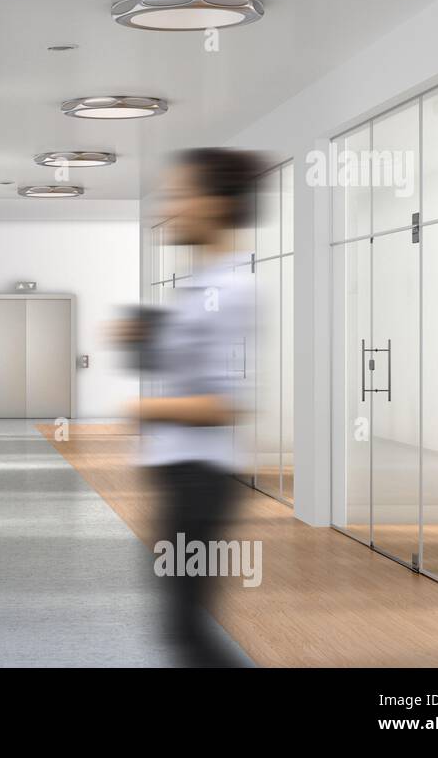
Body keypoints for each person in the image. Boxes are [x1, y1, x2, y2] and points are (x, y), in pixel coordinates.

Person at [117, 147, 263, 667]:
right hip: (180, 472)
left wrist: (143, 409)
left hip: (202, 476)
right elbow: (186, 370)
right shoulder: (200, 286)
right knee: (181, 627)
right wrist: (143, 339)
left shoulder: (231, 289)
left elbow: (223, 405)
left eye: (182, 195)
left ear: (219, 204)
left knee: (185, 631)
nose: (171, 208)